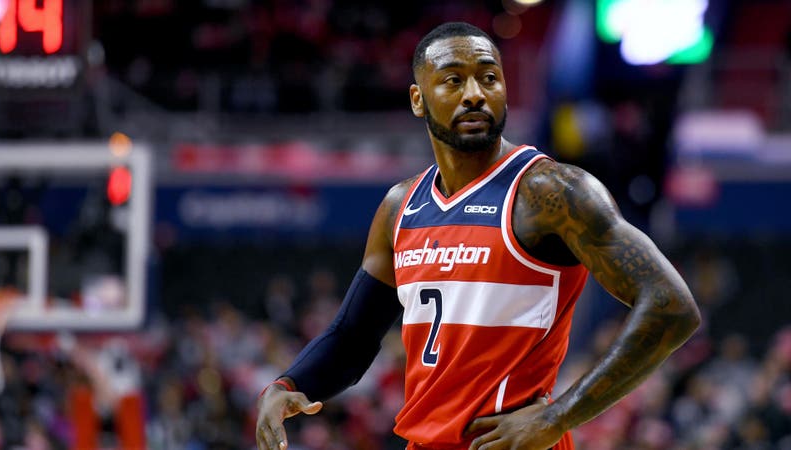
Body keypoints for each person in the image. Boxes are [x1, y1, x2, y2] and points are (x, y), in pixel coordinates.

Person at [255, 22, 701, 450]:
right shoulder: (400, 207)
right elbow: (353, 336)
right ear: (418, 99)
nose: (475, 94)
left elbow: (671, 305)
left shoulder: (551, 192)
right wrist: (287, 385)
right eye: (453, 80)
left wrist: (559, 415)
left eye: (489, 78)